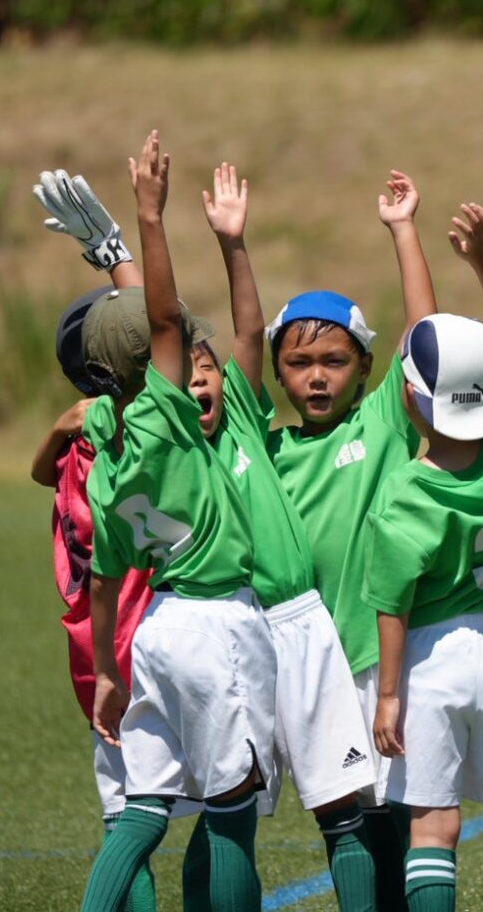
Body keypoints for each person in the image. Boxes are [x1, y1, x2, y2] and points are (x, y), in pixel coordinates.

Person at [77, 131, 276, 912]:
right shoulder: (168, 414)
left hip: (154, 632)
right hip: (217, 621)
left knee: (141, 812)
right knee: (231, 812)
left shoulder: (107, 452)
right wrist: (150, 215)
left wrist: (105, 670)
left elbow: (103, 580)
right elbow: (163, 314)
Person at [189, 160, 380, 908]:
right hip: (237, 631)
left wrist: (234, 245)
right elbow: (165, 335)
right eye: (186, 374)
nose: (201, 382)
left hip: (308, 632)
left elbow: (244, 330)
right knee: (227, 804)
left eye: (210, 371)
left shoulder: (246, 424)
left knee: (342, 805)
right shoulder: (178, 444)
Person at [362, 204, 483, 912]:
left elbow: (392, 605)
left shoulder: (407, 491)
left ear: (412, 398)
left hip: (431, 660)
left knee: (434, 826)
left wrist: (388, 695)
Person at [264, 170, 438, 908]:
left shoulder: (383, 423)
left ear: (365, 367)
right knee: (342, 818)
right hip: (311, 661)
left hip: (379, 651)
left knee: (392, 806)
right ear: (277, 371)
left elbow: (426, 334)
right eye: (298, 363)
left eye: (334, 361)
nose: (316, 377)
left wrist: (403, 230)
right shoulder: (267, 449)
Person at [28, 169, 201, 912]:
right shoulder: (154, 429)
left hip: (93, 649)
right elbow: (167, 331)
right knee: (219, 803)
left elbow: (148, 340)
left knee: (124, 812)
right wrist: (121, 251)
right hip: (161, 632)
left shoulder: (80, 441)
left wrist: (112, 256)